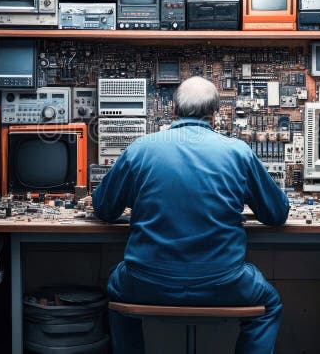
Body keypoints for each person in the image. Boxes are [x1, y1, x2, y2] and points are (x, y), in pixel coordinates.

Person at [92, 76, 290, 354]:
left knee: (117, 290)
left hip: (145, 283)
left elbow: (103, 209)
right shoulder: (238, 152)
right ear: (215, 114)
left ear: (173, 109)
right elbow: (277, 214)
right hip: (224, 282)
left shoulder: (140, 149)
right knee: (269, 306)